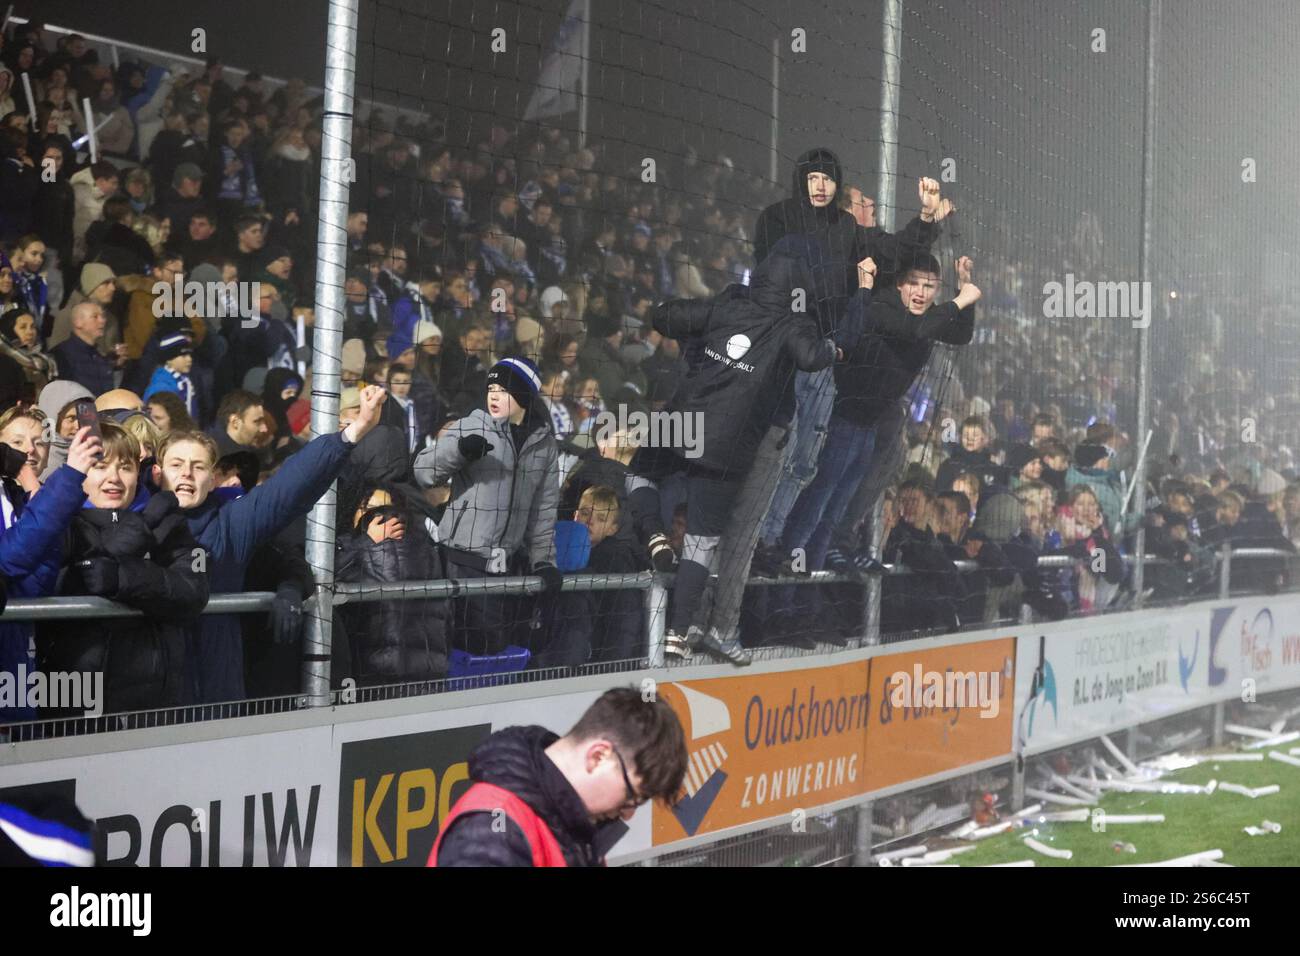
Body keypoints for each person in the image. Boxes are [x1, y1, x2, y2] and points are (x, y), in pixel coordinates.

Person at [152, 385, 389, 702]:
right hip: (151, 691)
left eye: (198, 467)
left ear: (213, 479)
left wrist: (351, 434)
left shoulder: (231, 525)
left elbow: (288, 486)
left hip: (214, 692)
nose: (187, 475)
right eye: (177, 465)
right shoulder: (136, 523)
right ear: (157, 474)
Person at [38, 422, 209, 712]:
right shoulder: (58, 522)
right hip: (71, 699)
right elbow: (56, 588)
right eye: (101, 466)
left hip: (154, 702)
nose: (114, 478)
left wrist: (123, 577)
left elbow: (194, 589)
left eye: (126, 467)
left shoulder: (168, 522)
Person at [430, 687, 687, 867]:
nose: (629, 813)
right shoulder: (493, 831)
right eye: (632, 798)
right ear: (599, 757)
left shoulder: (573, 826)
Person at [413, 357, 563, 656]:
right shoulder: (472, 426)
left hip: (508, 568)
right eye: (491, 388)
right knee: (459, 647)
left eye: (503, 389)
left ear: (523, 395)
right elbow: (423, 472)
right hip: (460, 560)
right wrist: (459, 452)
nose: (493, 395)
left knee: (495, 649)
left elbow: (543, 513)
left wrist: (544, 562)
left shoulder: (544, 445)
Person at [0, 425, 103, 722]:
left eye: (37, 441)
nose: (28, 450)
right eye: (17, 442)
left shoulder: (19, 497)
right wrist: (65, 480)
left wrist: (38, 495)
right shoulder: (44, 495)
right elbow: (7, 559)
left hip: (18, 673)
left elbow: (30, 585)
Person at [335, 484, 450, 685]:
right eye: (368, 509)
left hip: (398, 672)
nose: (379, 518)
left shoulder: (424, 550)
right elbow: (327, 579)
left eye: (385, 509)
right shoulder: (344, 546)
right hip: (404, 672)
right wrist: (365, 542)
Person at [51, 302, 117, 396]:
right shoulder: (61, 355)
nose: (102, 321)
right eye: (95, 317)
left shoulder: (100, 355)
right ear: (78, 322)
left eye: (103, 316)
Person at [142, 332, 198, 418]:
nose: (189, 359)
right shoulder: (161, 387)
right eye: (183, 355)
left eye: (190, 354)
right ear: (169, 359)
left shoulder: (184, 381)